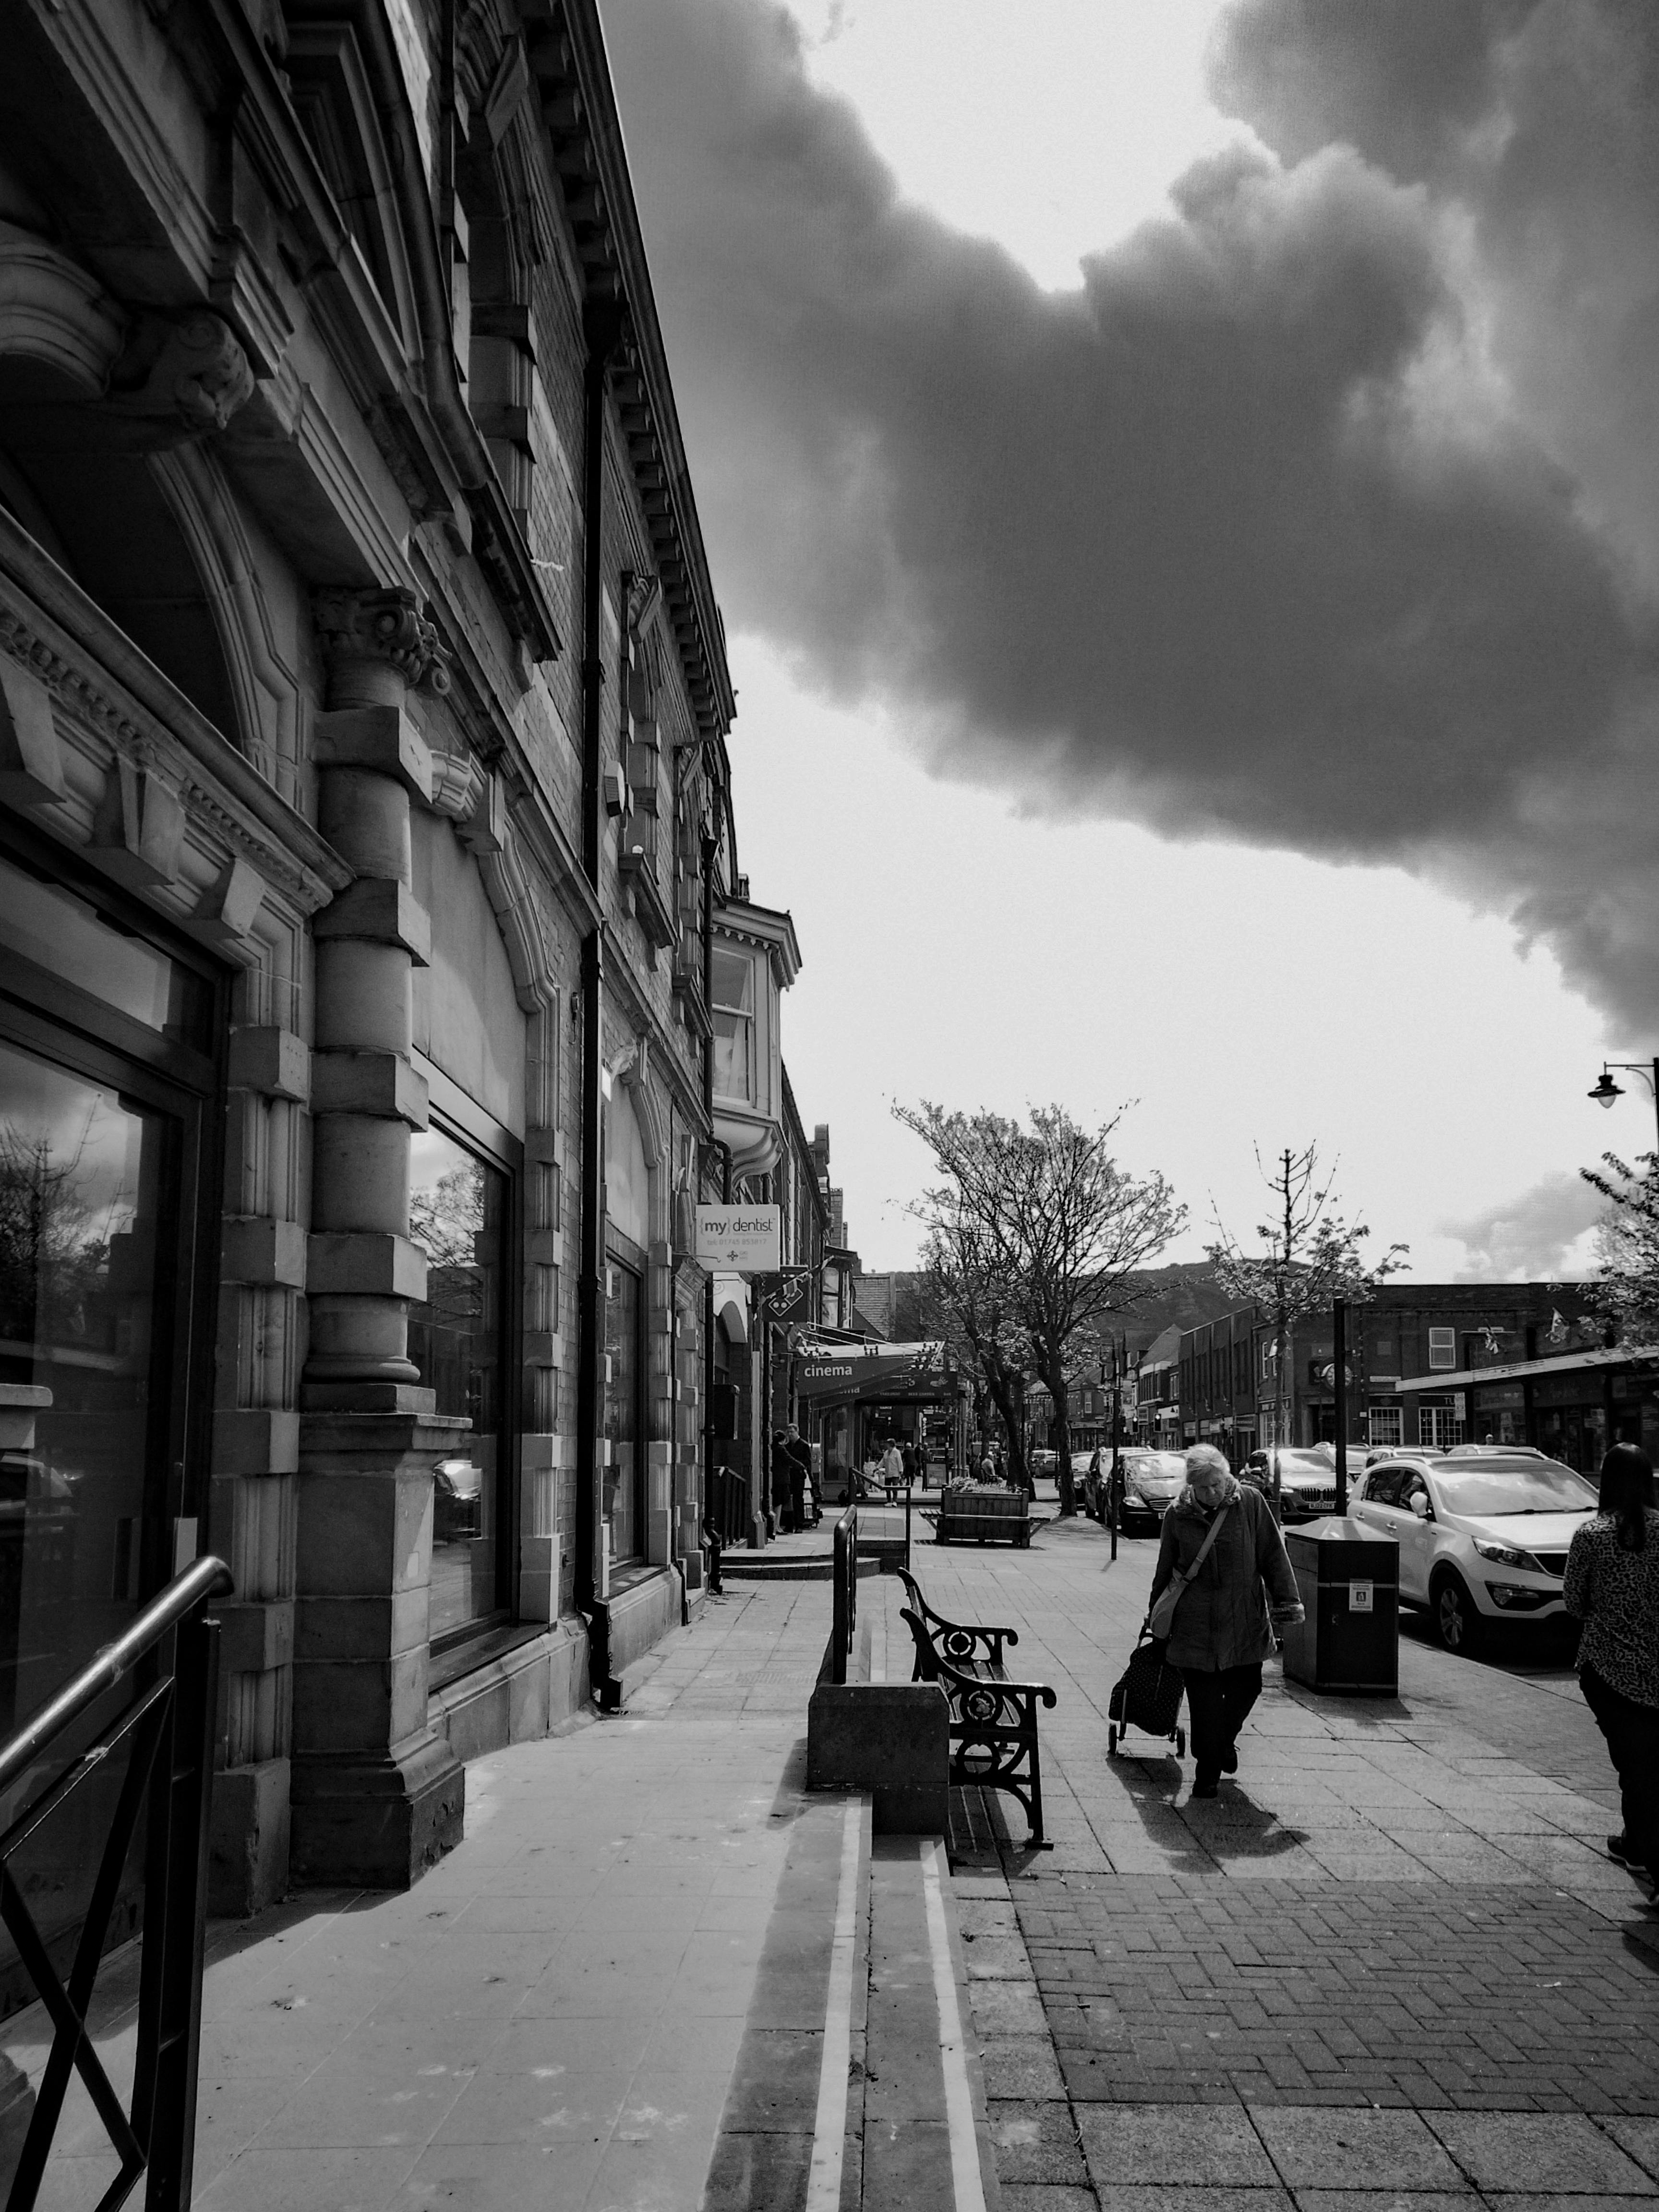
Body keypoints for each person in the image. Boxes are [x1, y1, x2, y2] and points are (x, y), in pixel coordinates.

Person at [1149, 1443, 1303, 1799]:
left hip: (1243, 1620)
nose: (1212, 1493)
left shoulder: (1250, 1503)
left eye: (1217, 1484)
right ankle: (1207, 1774)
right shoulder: (1178, 1515)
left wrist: (1287, 1601)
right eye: (1204, 1488)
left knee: (1247, 1688)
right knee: (1203, 1703)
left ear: (1227, 1476)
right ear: (1191, 1487)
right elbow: (1165, 1570)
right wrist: (1156, 1616)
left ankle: (1221, 1745)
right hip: (1194, 1625)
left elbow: (1272, 1555)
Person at [1563, 1443, 1659, 1886]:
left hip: (1609, 1669)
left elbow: (1574, 1604)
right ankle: (1636, 1839)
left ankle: (1643, 1848)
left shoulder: (1592, 1535)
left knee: (1634, 1763)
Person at [770, 1429, 795, 1533]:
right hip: (782, 1480)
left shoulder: (773, 1448)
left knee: (777, 1503)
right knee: (779, 1503)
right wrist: (801, 1466)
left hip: (775, 1479)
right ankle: (776, 1526)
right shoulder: (781, 1449)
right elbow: (790, 1459)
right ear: (783, 1440)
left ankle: (777, 1526)